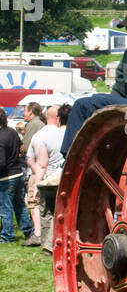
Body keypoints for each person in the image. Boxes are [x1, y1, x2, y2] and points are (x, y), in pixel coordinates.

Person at [61, 13, 127, 157]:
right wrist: (110, 111)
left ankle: (70, 158)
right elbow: (119, 86)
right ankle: (74, 154)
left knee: (81, 105)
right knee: (92, 103)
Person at [30, 103, 69, 252]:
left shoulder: (46, 135)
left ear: (58, 118)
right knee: (64, 212)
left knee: (47, 212)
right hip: (68, 179)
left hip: (51, 179)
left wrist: (36, 186)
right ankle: (62, 242)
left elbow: (42, 164)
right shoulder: (78, 134)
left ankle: (48, 244)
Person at [0, 108, 37, 244]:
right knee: (19, 205)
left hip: (6, 177)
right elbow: (20, 149)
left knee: (6, 207)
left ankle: (7, 236)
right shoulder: (12, 132)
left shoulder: (1, 137)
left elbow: (1, 162)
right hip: (18, 172)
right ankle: (28, 231)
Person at [22, 101, 45, 238]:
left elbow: (26, 147)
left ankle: (37, 233)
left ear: (31, 112)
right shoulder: (41, 123)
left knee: (33, 200)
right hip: (42, 166)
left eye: (25, 110)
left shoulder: (33, 124)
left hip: (35, 167)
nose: (24, 113)